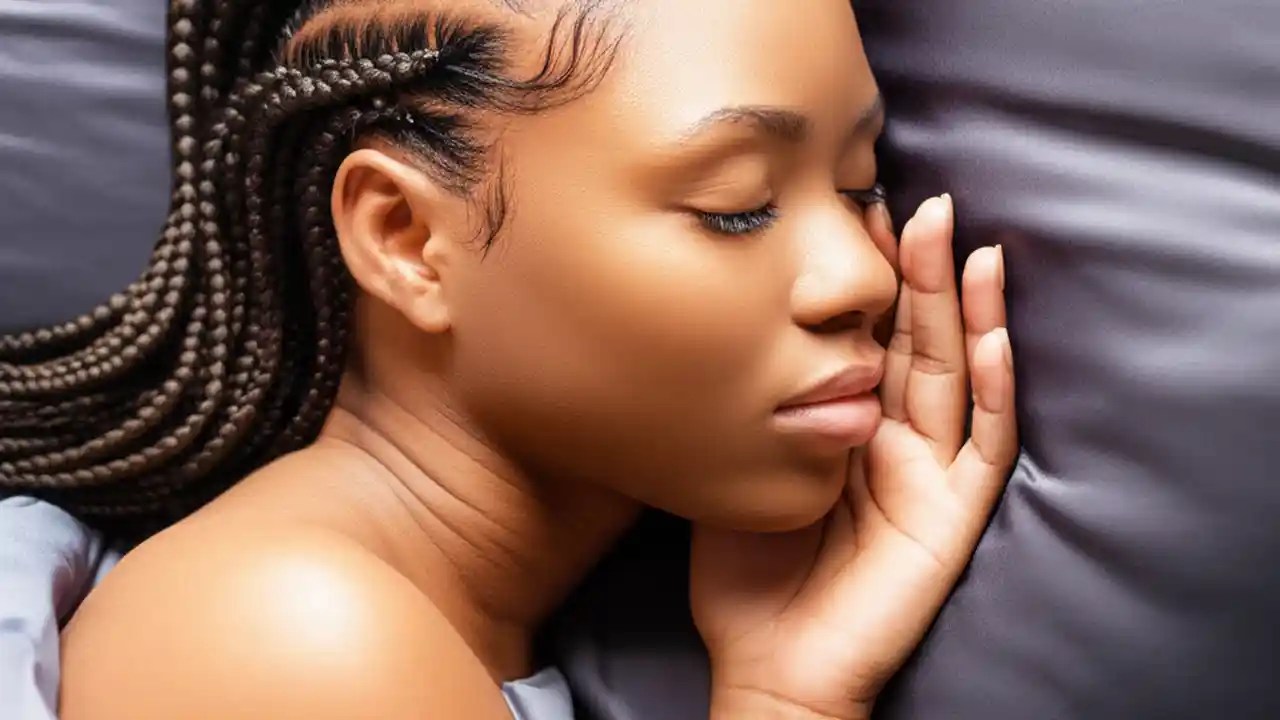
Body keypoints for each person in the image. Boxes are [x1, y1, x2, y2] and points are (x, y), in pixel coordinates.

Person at [0, 1, 1016, 718]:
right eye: (735, 205)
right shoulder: (293, 635)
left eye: (855, 185)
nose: (862, 277)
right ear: (405, 239)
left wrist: (784, 691)